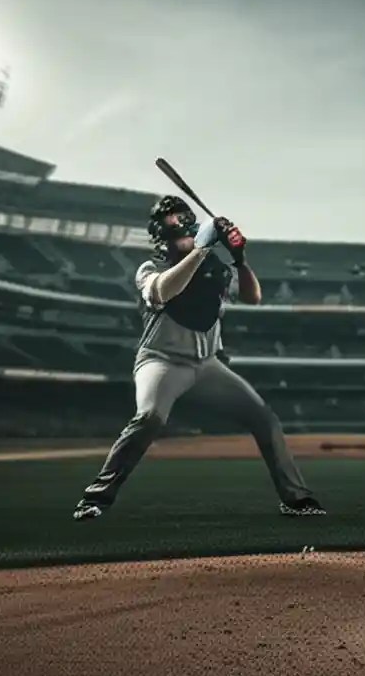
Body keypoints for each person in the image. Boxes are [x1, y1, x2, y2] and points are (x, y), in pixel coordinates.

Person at [72, 195, 324, 520]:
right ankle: (95, 498)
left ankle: (296, 498)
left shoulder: (215, 270)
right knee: (149, 418)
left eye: (185, 222)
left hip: (207, 365)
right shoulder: (151, 268)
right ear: (160, 234)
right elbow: (162, 291)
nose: (182, 228)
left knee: (264, 418)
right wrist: (203, 249)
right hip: (161, 360)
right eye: (173, 224)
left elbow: (253, 297)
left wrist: (239, 259)